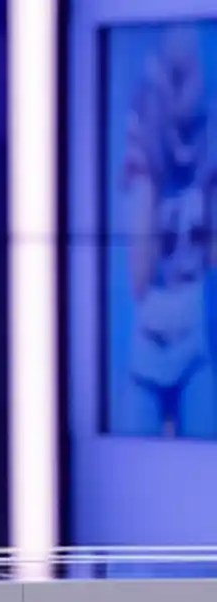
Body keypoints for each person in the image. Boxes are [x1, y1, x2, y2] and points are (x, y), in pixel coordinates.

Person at [118, 24, 217, 438]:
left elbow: (213, 261)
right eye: (169, 75)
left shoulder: (211, 144)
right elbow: (138, 280)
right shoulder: (140, 145)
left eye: (185, 74)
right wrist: (152, 171)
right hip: (146, 351)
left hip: (196, 348)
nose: (177, 90)